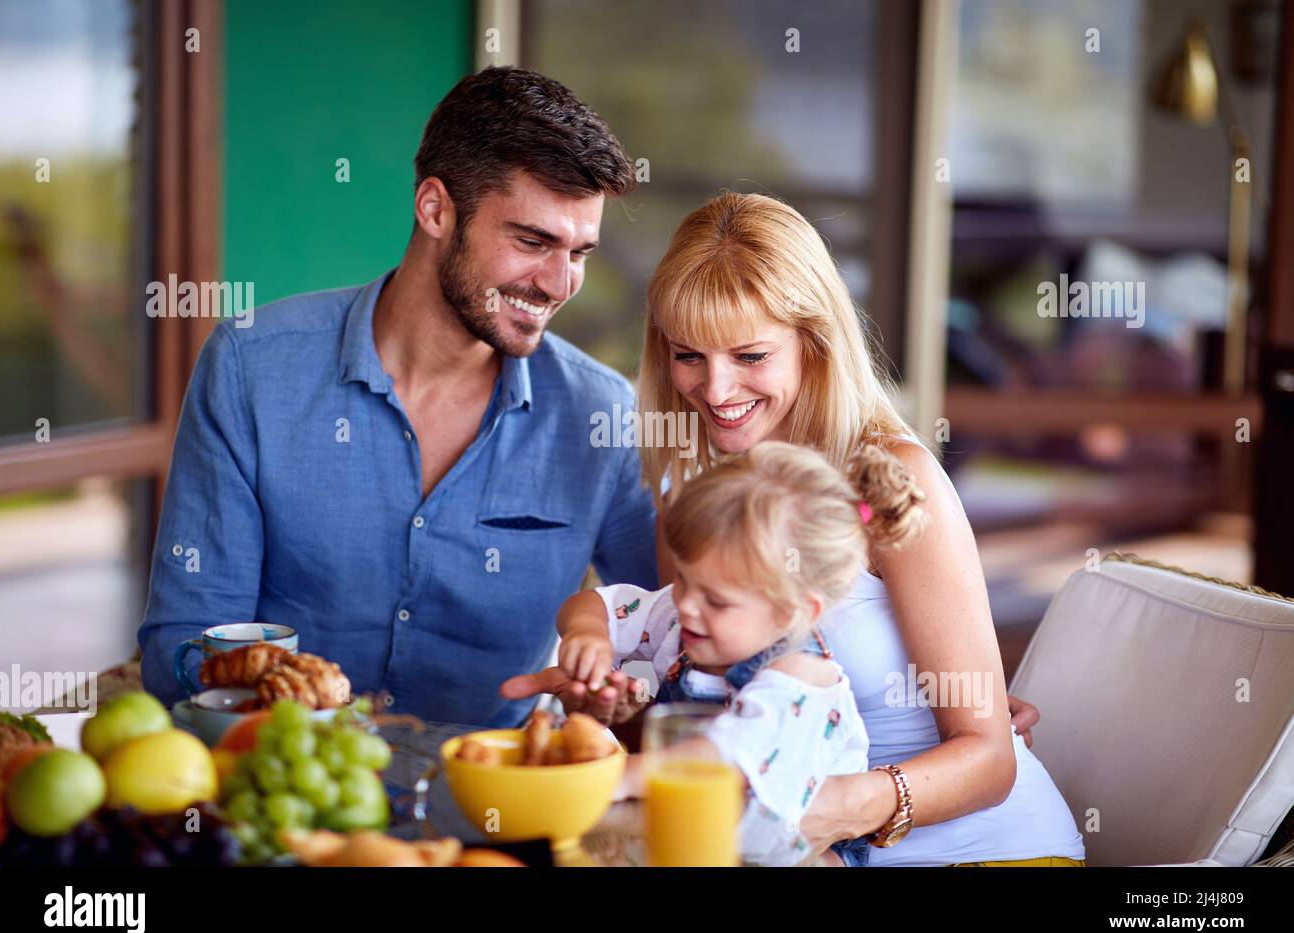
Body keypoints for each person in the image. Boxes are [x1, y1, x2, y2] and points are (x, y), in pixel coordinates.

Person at [506, 191, 1081, 865]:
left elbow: (990, 762)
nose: (715, 390)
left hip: (984, 851)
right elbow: (708, 707)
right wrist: (612, 708)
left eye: (750, 357)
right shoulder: (694, 495)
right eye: (689, 356)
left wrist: (837, 808)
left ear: (813, 343)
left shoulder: (896, 480)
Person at [137, 67, 660, 725]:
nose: (559, 282)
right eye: (533, 241)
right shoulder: (251, 369)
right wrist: (276, 687)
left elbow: (678, 633)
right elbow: (182, 642)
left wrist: (620, 691)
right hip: (288, 799)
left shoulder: (602, 415)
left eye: (581, 251)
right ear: (436, 208)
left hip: (498, 805)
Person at [559, 440, 927, 866]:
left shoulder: (803, 679)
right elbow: (599, 604)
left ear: (793, 612)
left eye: (716, 600)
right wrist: (589, 635)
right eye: (682, 579)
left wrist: (622, 777)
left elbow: (729, 754)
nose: (686, 604)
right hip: (696, 836)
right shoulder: (687, 614)